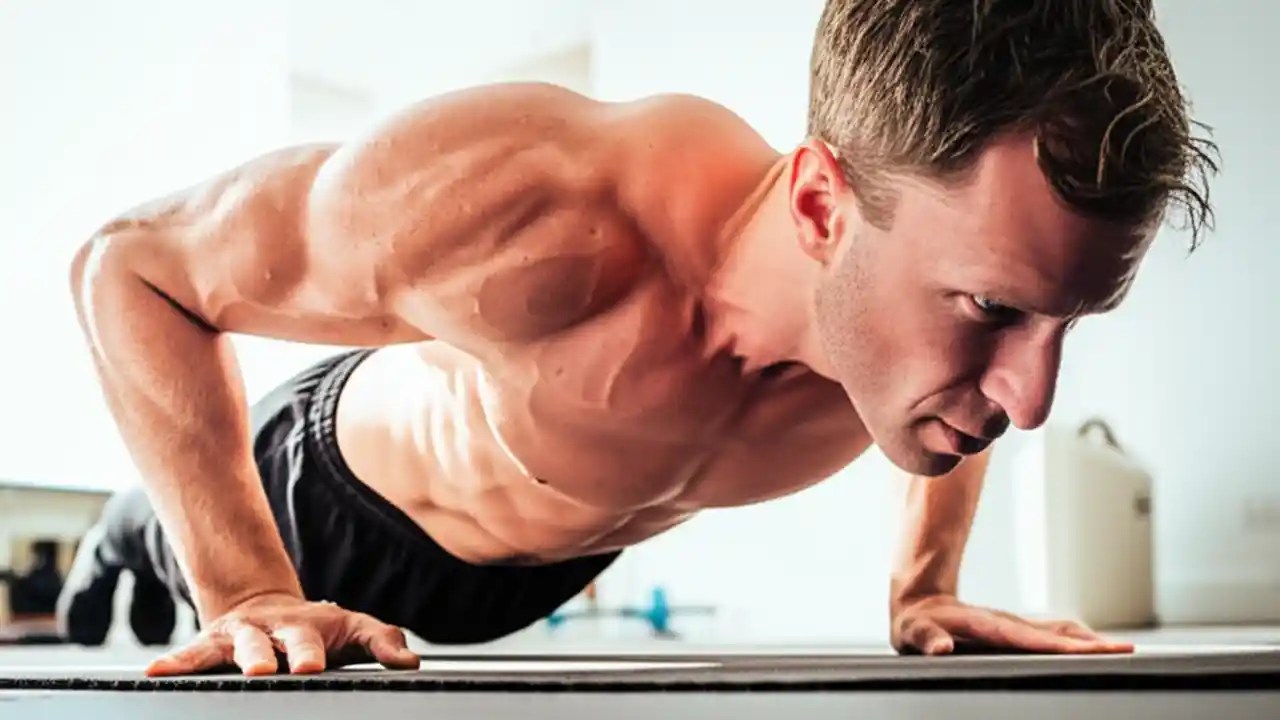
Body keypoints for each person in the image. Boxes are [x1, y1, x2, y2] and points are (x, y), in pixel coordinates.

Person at [58, 0, 1216, 676]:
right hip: (317, 498)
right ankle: (123, 540)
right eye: (994, 311)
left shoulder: (909, 328)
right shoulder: (546, 204)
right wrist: (246, 588)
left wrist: (924, 588)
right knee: (143, 567)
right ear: (821, 207)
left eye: (1060, 322)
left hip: (517, 583)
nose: (1027, 400)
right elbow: (131, 269)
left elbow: (968, 395)